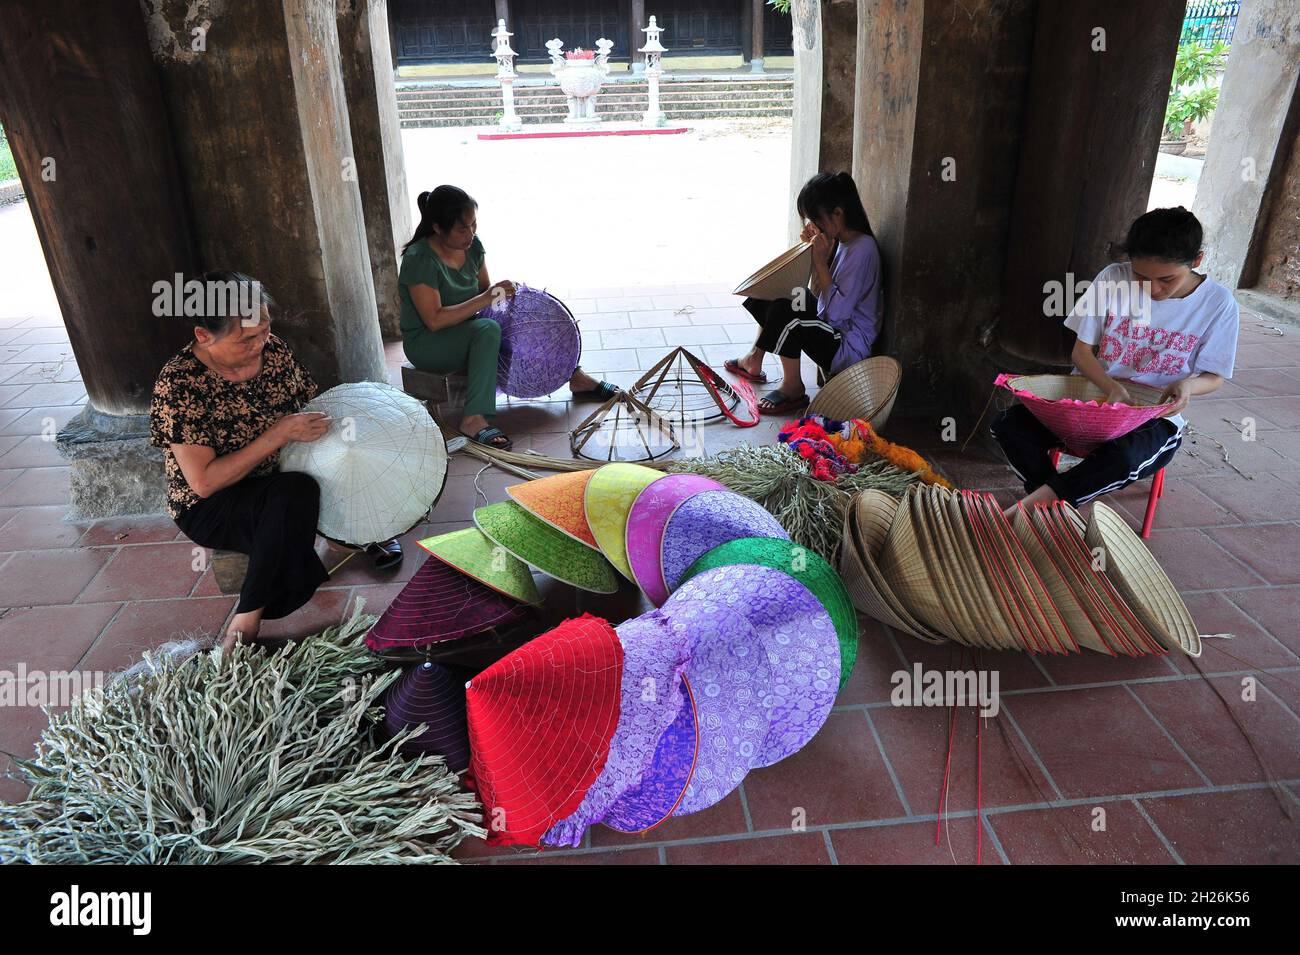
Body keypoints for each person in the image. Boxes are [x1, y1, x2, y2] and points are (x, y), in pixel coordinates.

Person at [149, 271, 399, 653]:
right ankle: (247, 619)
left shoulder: (274, 351)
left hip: (280, 473)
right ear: (203, 335)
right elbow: (204, 482)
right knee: (292, 493)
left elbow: (310, 404)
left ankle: (355, 533)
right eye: (246, 339)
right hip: (214, 504)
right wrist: (278, 434)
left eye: (264, 329)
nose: (260, 343)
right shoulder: (179, 384)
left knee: (342, 457)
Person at [992, 206, 1239, 519]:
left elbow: (1214, 377)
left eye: (1167, 279)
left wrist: (1187, 386)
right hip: (1092, 400)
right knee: (1008, 425)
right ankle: (1051, 508)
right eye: (1141, 276)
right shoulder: (1113, 278)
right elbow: (1081, 353)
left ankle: (1032, 509)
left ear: (1198, 260)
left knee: (1123, 459)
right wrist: (1110, 388)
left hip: (1154, 415)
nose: (1153, 289)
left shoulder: (1218, 303)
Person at [398, 185, 618, 451]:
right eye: (462, 229)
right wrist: (486, 298)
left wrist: (511, 300)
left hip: (466, 329)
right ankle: (473, 418)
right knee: (488, 330)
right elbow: (434, 320)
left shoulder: (473, 247)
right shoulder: (419, 259)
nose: (471, 234)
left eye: (474, 225)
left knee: (517, 322)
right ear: (437, 228)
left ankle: (574, 375)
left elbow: (486, 296)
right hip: (428, 343)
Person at [727, 171, 883, 415]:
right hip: (833, 326)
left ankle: (793, 387)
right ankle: (754, 358)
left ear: (838, 214)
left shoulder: (862, 250)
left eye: (816, 220)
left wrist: (819, 260)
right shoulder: (843, 241)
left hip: (847, 348)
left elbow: (836, 315)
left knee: (786, 311)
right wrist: (810, 252)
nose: (814, 226)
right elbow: (820, 294)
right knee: (777, 292)